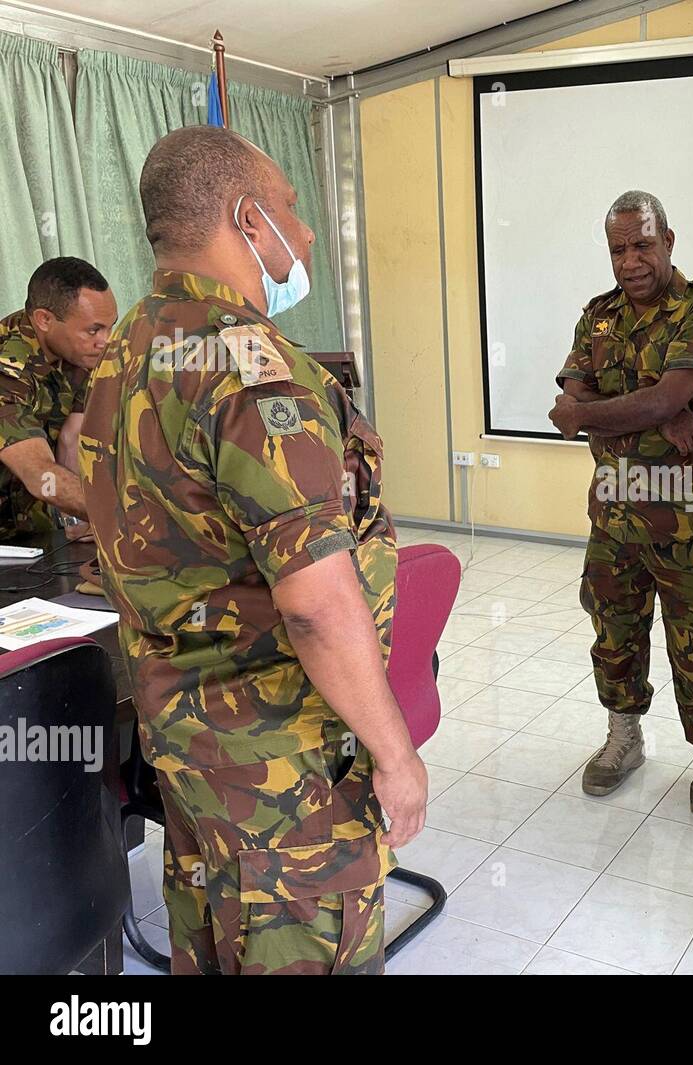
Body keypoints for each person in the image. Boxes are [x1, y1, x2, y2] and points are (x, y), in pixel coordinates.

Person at [78, 125, 427, 975]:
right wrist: (394, 751)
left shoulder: (123, 352)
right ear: (247, 219)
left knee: (209, 940)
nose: (304, 236)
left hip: (187, 738)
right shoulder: (256, 370)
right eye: (292, 212)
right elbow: (314, 602)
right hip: (285, 760)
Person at [548, 190, 693, 817]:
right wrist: (652, 412)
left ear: (669, 241)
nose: (630, 260)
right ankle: (624, 739)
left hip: (685, 516)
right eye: (617, 249)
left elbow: (645, 402)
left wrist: (628, 410)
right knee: (614, 635)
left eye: (642, 244)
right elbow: (565, 411)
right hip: (614, 512)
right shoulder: (597, 316)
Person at [0, 257, 116, 538]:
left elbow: (71, 438)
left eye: (110, 327)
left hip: (34, 531)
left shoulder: (76, 349)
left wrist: (79, 518)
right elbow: (40, 475)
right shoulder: (7, 369)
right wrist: (123, 518)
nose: (106, 341)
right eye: (94, 330)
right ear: (44, 320)